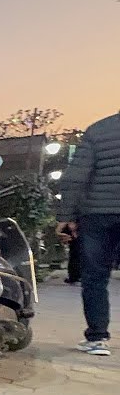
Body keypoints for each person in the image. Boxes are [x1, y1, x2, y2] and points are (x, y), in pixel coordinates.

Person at [56, 112, 120, 356]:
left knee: (95, 278)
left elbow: (75, 177)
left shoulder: (98, 130)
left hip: (97, 215)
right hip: (96, 214)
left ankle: (98, 338)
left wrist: (66, 216)